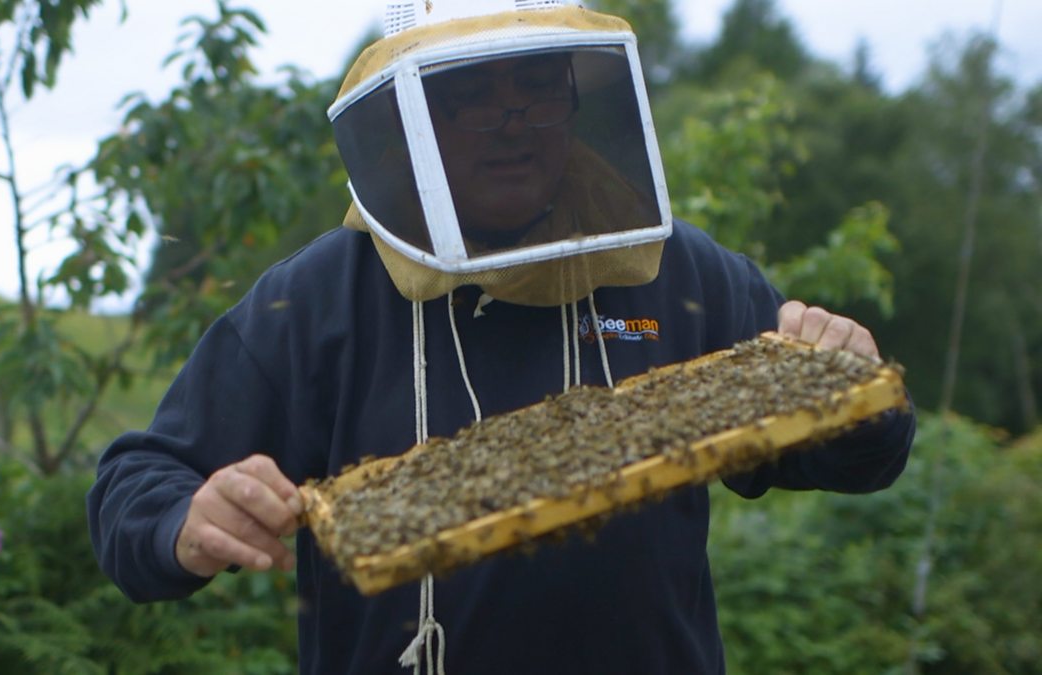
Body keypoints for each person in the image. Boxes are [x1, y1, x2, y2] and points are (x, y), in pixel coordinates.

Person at [86, 2, 915, 674]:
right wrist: (183, 521)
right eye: (472, 95)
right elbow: (135, 482)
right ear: (411, 116)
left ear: (577, 96)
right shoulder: (314, 302)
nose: (510, 122)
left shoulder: (678, 273)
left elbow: (854, 456)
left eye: (536, 87)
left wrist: (854, 388)